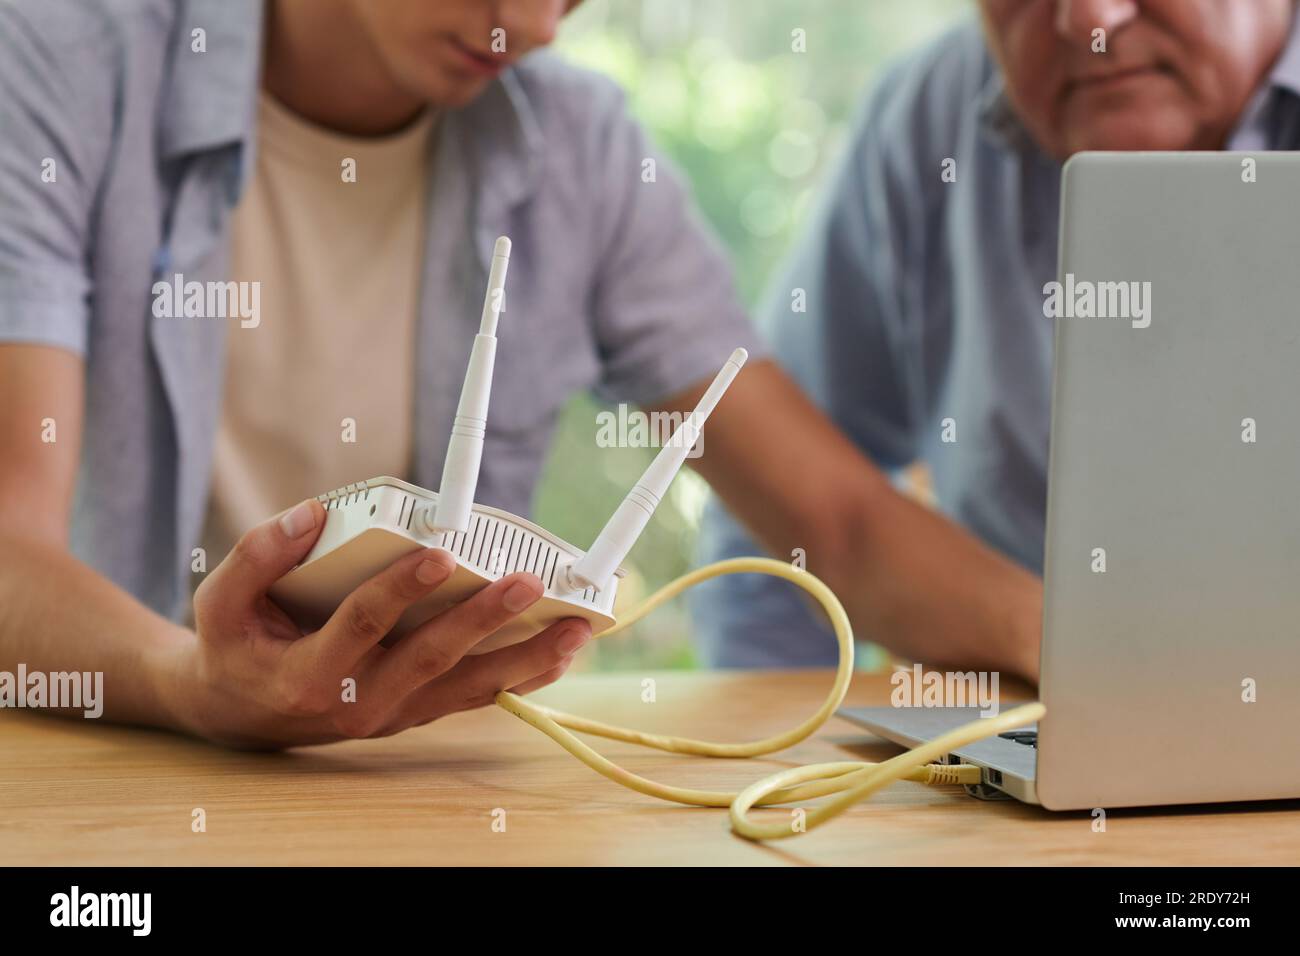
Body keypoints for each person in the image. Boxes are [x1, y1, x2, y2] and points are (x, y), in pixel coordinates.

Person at [0, 0, 1042, 750]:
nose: (540, 23)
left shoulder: (578, 148)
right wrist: (189, 683)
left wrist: (1094, 650)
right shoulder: (58, 62)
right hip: (114, 770)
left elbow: (840, 521)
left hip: (424, 790)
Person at [695, 0, 1300, 667]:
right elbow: (775, 505)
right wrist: (786, 747)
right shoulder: (927, 124)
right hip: (1029, 729)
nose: (1090, 20)